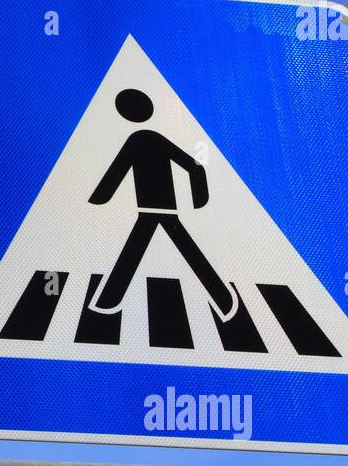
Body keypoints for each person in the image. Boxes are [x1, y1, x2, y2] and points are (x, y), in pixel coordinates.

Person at [88, 88, 237, 319]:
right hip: (162, 208)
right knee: (161, 251)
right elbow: (194, 166)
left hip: (151, 208)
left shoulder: (139, 139)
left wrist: (99, 197)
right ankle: (224, 300)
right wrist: (198, 198)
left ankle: (107, 302)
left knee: (140, 252)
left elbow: (117, 171)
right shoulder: (154, 139)